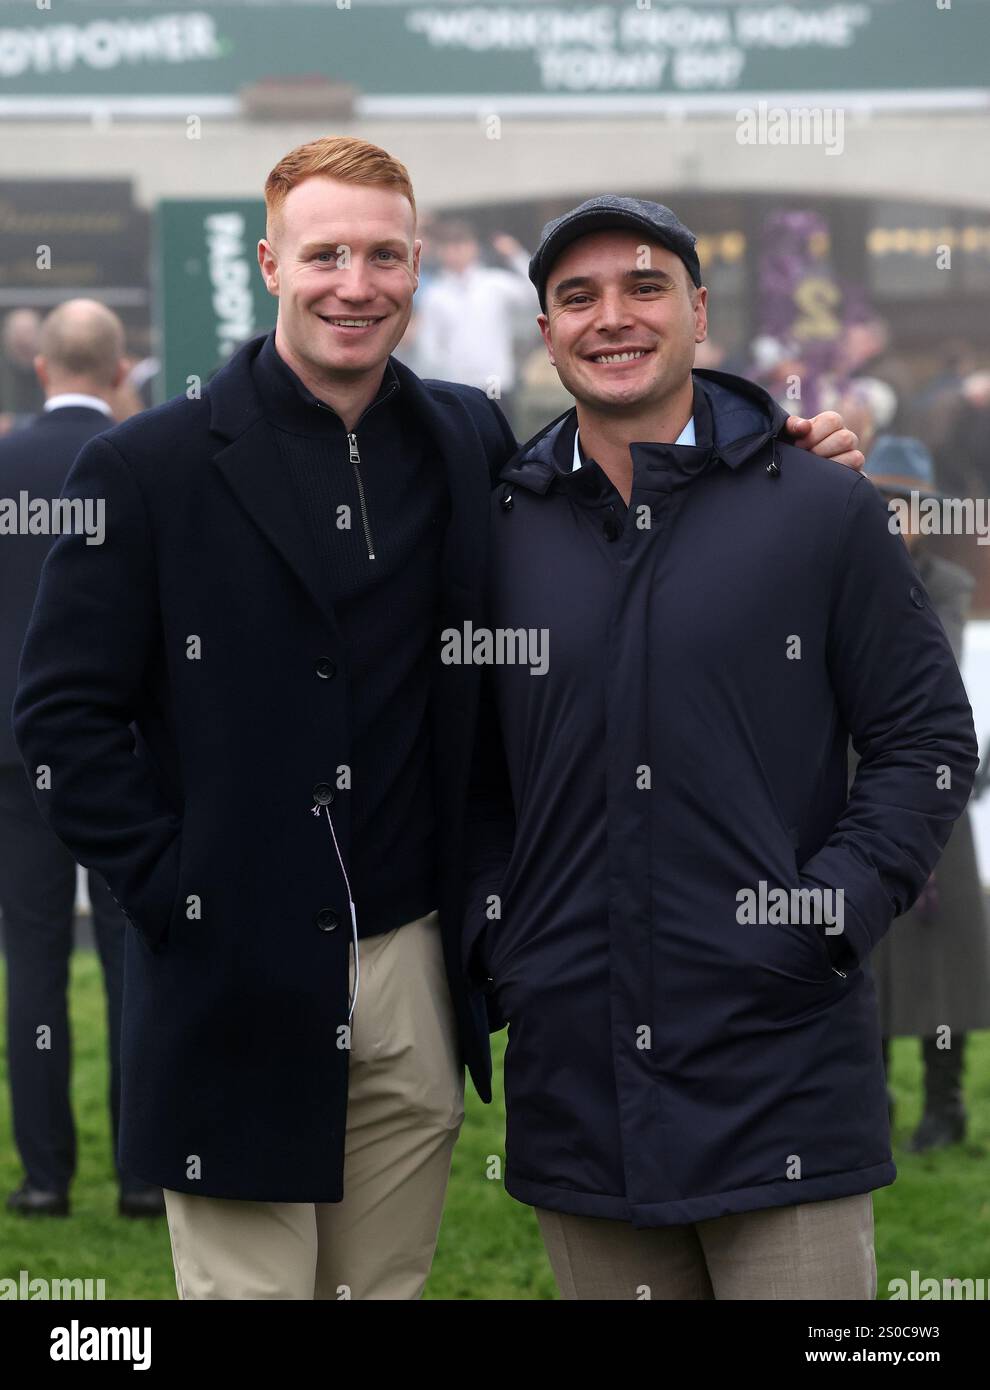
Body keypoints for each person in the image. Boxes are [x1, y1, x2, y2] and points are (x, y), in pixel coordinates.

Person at [13, 145, 862, 1301]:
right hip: (231, 971)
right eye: (325, 254)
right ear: (271, 264)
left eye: (381, 255)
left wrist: (776, 458)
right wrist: (174, 891)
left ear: (417, 269)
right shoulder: (147, 465)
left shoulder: (469, 441)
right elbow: (60, 718)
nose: (353, 283)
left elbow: (619, 482)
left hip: (414, 965)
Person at [462, 196, 978, 1300]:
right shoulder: (498, 529)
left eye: (645, 287)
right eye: (578, 297)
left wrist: (825, 913)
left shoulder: (823, 507)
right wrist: (503, 946)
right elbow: (468, 774)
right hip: (576, 1082)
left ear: (699, 312)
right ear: (547, 333)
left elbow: (925, 734)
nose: (613, 317)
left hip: (779, 1070)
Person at [0, 299, 164, 1217]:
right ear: (118, 370)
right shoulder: (146, 460)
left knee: (31, 962)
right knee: (131, 957)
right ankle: (144, 1176)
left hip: (17, 755)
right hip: (125, 754)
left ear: (39, 367)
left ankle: (43, 1180)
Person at [863, 435, 990, 1151]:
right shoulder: (833, 573)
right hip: (856, 793)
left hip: (929, 794)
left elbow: (923, 661)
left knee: (944, 959)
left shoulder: (943, 583)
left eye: (903, 508)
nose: (890, 519)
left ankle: (945, 1107)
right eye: (877, 505)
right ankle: (868, 1103)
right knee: (865, 957)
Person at [413, 220, 536, 427]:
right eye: (449, 246)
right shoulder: (435, 295)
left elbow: (536, 295)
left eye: (461, 245)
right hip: (458, 387)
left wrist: (515, 255)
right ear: (441, 251)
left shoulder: (494, 283)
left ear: (473, 247)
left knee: (504, 449)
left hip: (497, 383)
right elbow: (429, 347)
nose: (456, 252)